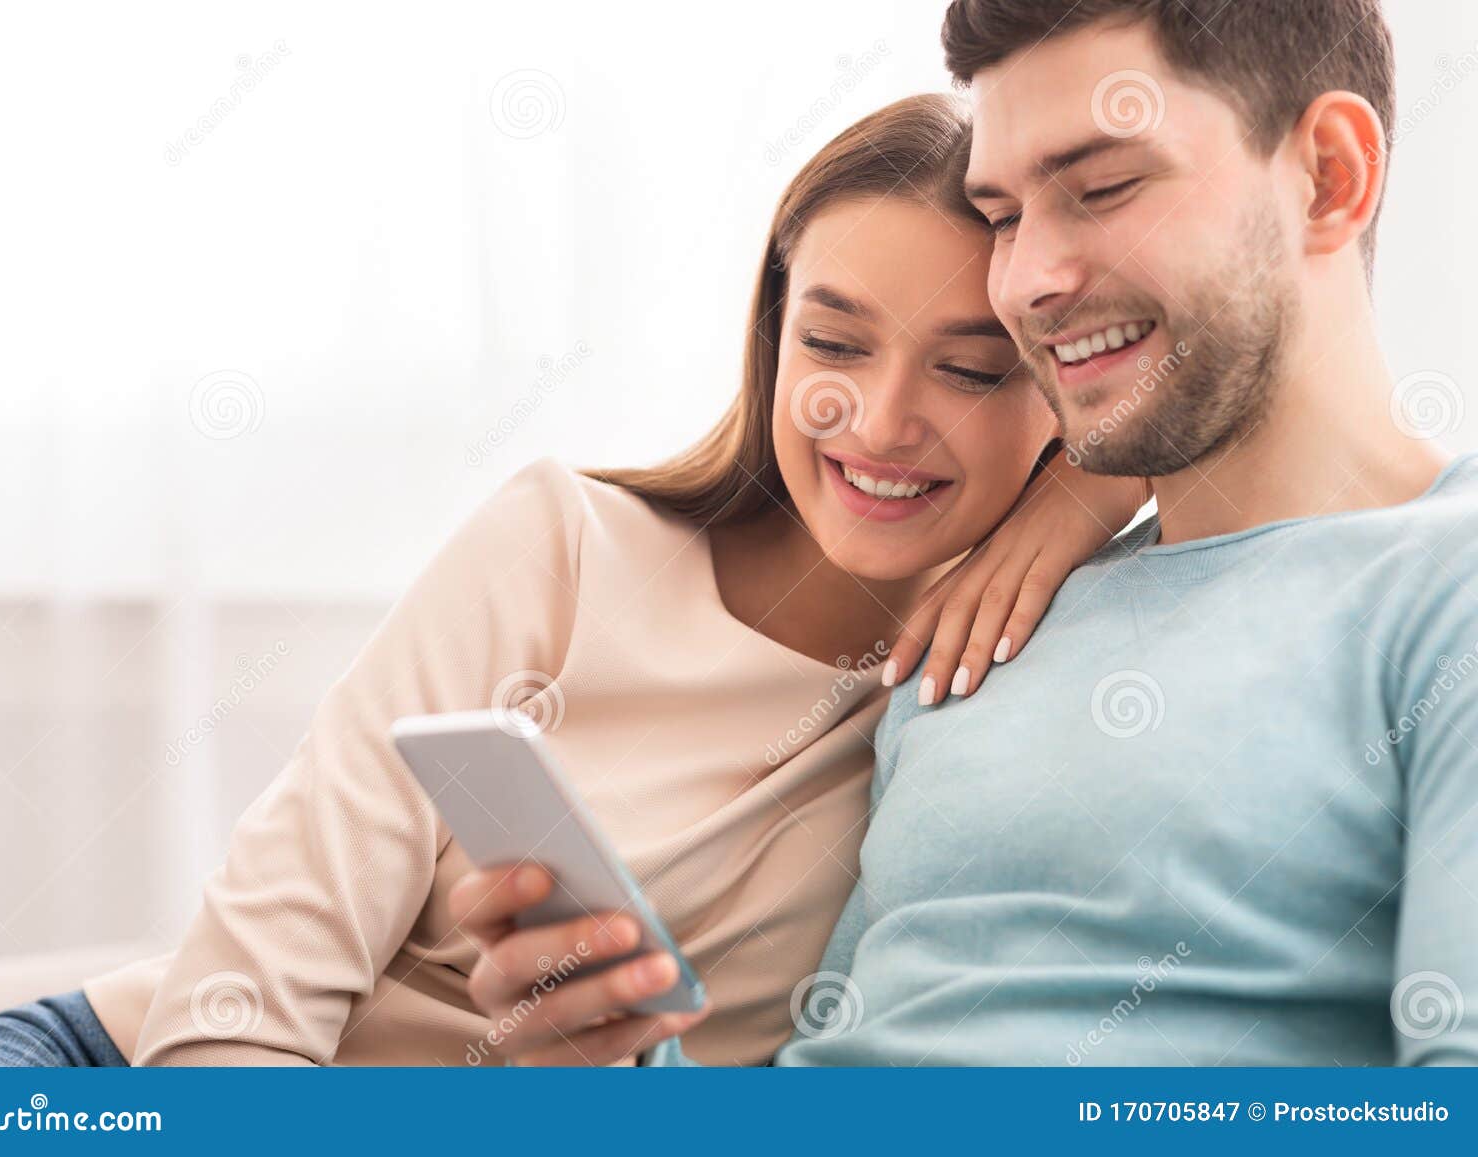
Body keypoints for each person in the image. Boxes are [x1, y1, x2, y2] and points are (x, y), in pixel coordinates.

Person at [0, 94, 1144, 1067]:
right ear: (774, 340)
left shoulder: (989, 685)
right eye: (831, 342)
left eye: (973, 371)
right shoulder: (563, 543)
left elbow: (1259, 410)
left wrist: (1092, 487)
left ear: (1058, 383)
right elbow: (256, 972)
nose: (876, 420)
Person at [455, 0, 1478, 1066]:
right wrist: (617, 1057)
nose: (1024, 282)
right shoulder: (986, 618)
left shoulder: (1446, 590)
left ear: (1329, 173)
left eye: (1104, 187)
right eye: (1000, 214)